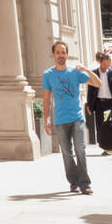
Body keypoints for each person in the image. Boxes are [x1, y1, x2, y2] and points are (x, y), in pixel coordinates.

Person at [42, 41, 101, 195]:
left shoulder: (75, 73)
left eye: (63, 52)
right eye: (58, 52)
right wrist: (46, 119)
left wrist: (86, 69)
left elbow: (98, 82)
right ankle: (73, 182)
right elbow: (47, 98)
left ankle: (85, 184)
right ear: (53, 54)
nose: (61, 55)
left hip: (77, 118)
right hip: (60, 119)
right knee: (67, 154)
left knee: (80, 150)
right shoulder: (48, 75)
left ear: (67, 54)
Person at [86, 52, 112, 151]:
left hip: (110, 103)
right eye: (105, 64)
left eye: (108, 64)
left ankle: (109, 147)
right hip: (99, 103)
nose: (106, 66)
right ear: (100, 62)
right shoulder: (94, 73)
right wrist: (89, 105)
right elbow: (90, 90)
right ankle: (104, 146)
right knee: (100, 126)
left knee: (109, 125)